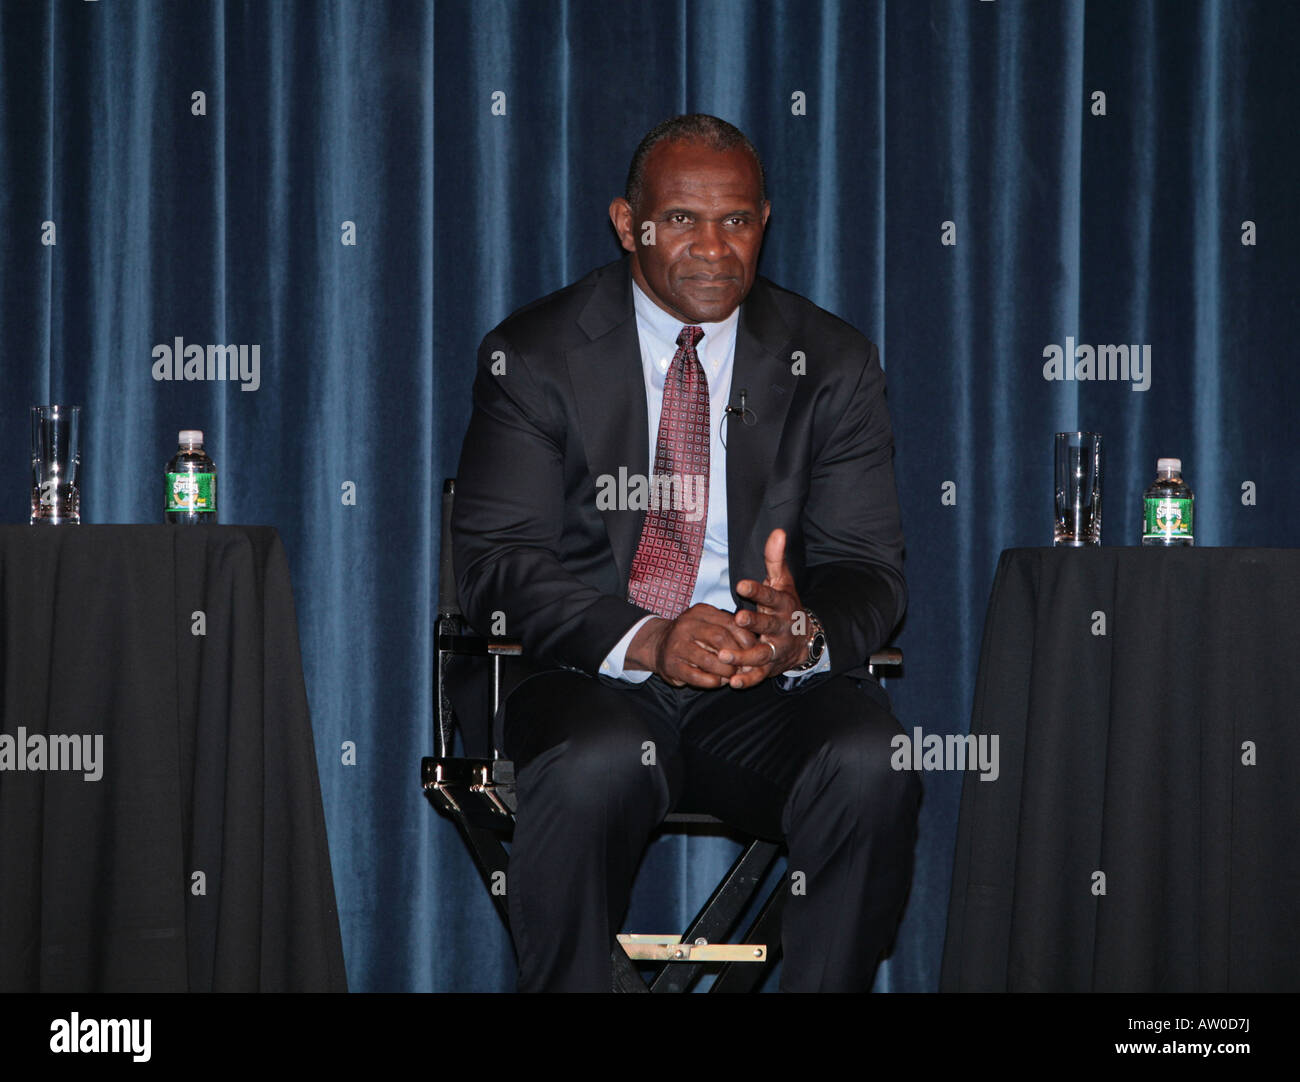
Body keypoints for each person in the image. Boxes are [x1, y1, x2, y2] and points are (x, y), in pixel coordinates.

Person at [452, 113, 920, 992]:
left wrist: (803, 631)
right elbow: (499, 565)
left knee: (871, 762)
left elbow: (871, 569)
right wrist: (649, 638)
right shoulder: (536, 355)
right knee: (591, 766)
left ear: (766, 222)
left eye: (737, 221)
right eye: (682, 221)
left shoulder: (834, 362)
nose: (714, 248)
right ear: (629, 224)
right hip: (589, 682)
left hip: (759, 690)